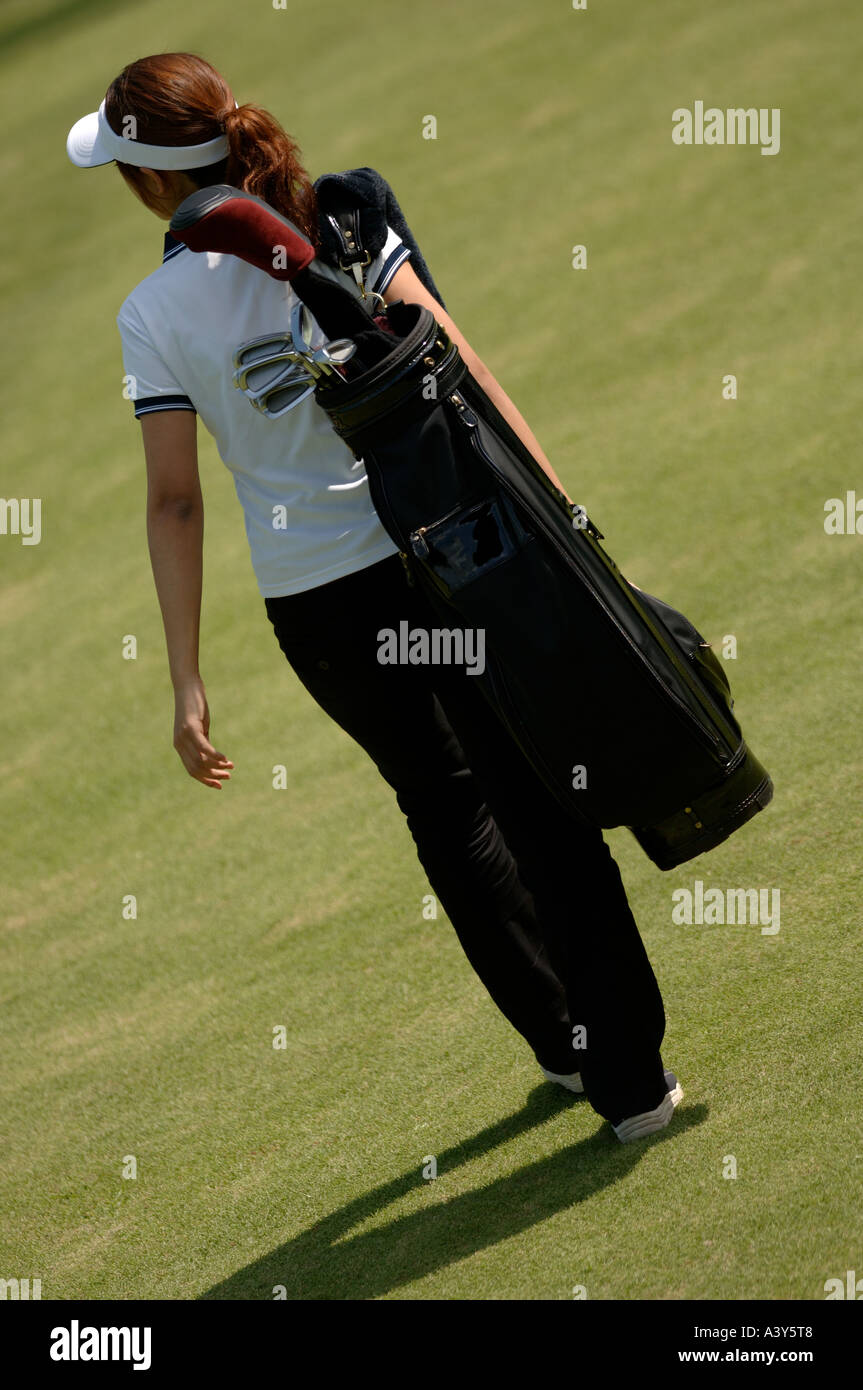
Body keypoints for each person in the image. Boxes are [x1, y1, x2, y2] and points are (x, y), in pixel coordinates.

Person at [66, 52, 682, 1142]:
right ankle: (630, 1083)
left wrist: (186, 677)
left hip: (325, 607)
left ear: (148, 184)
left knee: (445, 811)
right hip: (464, 554)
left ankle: (565, 1049)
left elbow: (175, 504)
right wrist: (568, 522)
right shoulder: (347, 210)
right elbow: (468, 375)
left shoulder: (149, 314)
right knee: (538, 797)